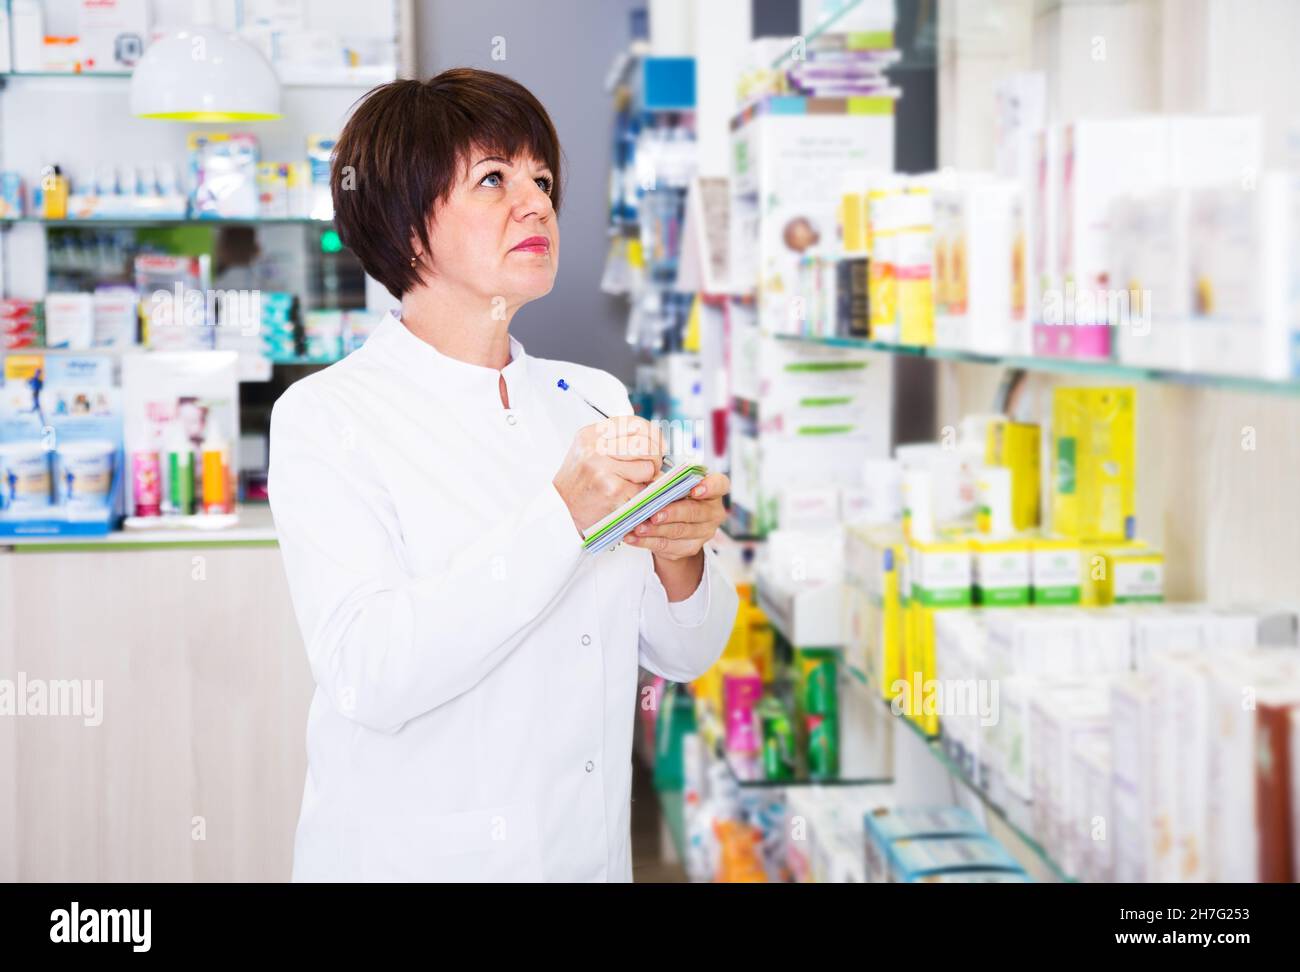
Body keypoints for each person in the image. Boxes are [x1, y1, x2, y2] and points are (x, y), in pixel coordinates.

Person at [268, 68, 738, 882]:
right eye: (494, 179)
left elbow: (685, 652)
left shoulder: (594, 399)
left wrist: (682, 554)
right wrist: (564, 515)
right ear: (407, 226)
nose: (537, 204)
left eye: (543, 180)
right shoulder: (328, 415)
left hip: (586, 855)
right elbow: (369, 672)